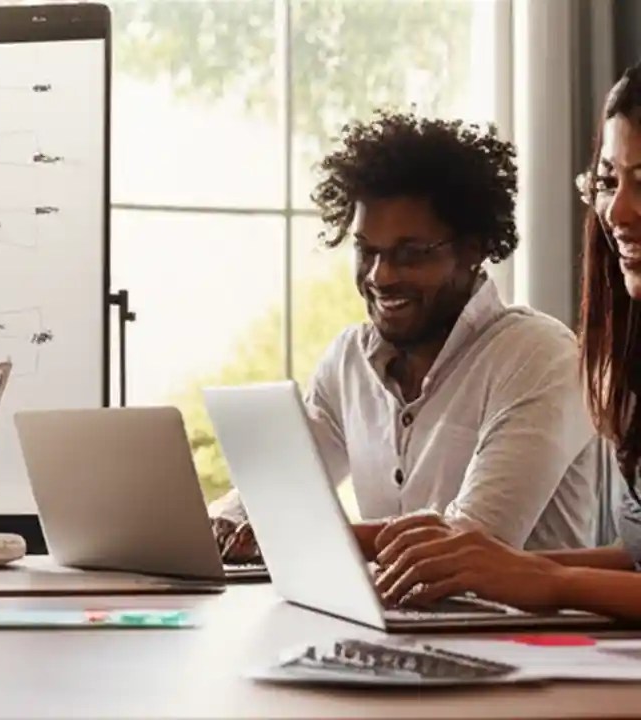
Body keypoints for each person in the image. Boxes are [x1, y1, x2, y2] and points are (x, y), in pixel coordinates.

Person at [210, 109, 600, 562]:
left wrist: (284, 535)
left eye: (410, 254)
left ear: (472, 250)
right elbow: (270, 492)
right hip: (399, 628)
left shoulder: (537, 355)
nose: (381, 276)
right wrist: (226, 523)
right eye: (366, 251)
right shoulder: (348, 362)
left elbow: (470, 539)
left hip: (520, 630)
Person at [373, 63, 641, 618]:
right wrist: (498, 565)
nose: (617, 211)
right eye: (609, 180)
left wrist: (550, 579)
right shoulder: (629, 359)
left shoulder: (535, 353)